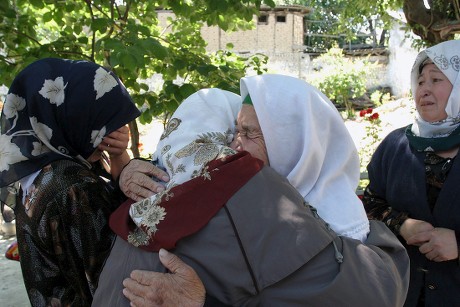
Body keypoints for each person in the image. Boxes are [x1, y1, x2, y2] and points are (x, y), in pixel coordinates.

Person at [93, 75, 409, 306]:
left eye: (248, 133)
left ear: (295, 143)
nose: (234, 146)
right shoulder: (245, 197)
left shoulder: (319, 220)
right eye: (235, 131)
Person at [0, 57, 140, 306]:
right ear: (73, 118)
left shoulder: (38, 172)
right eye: (101, 120)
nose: (112, 131)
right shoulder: (73, 187)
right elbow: (118, 279)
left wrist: (119, 156)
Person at [362, 39, 460, 306]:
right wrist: (401, 224)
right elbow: (369, 204)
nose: (424, 89)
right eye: (420, 82)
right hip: (403, 293)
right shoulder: (395, 145)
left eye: (436, 79)